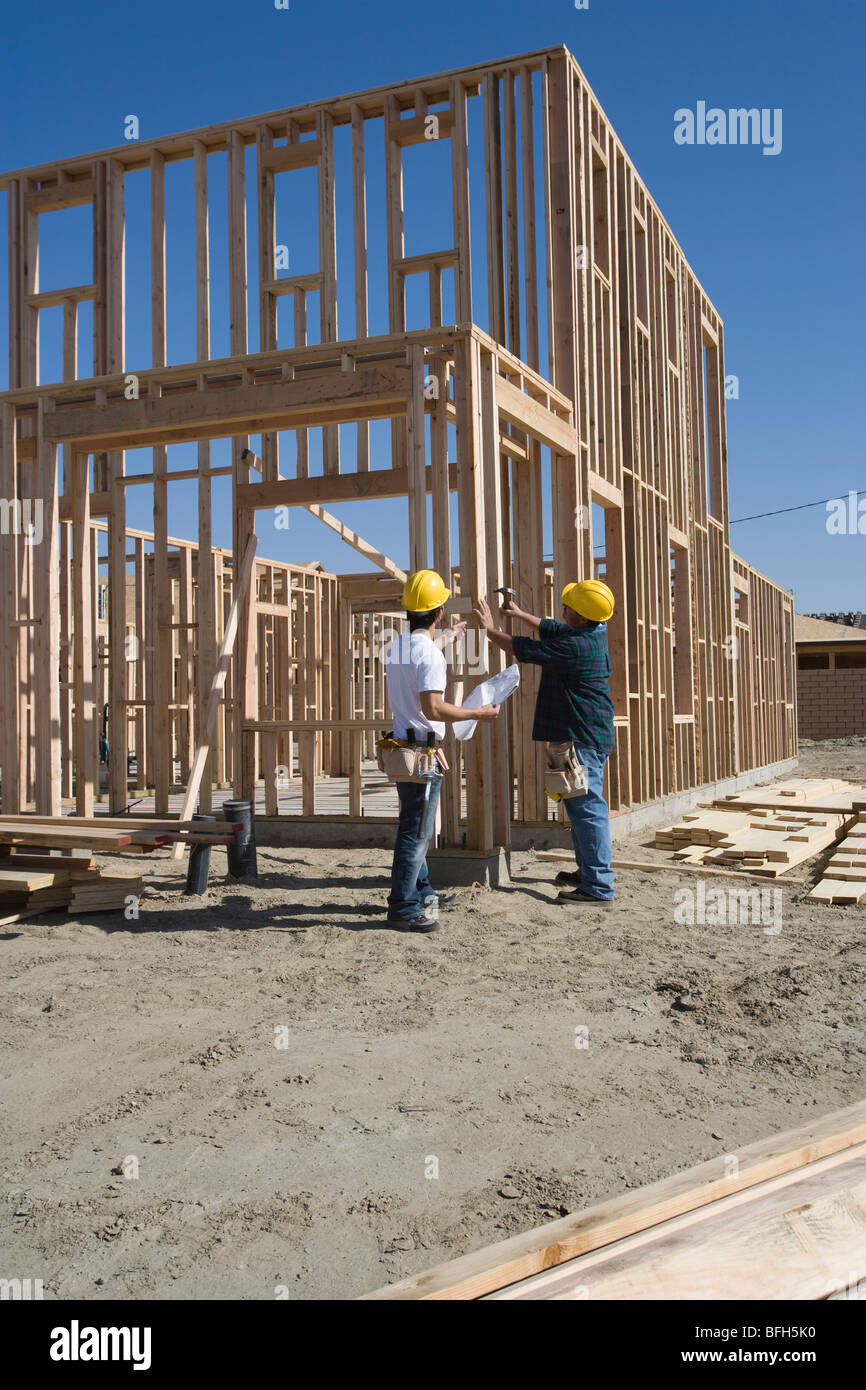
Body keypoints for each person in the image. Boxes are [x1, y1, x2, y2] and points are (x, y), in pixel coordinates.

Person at [475, 580, 616, 906]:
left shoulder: (574, 647)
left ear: (581, 617)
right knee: (581, 809)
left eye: (568, 607)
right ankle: (589, 873)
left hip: (582, 738)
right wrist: (521, 613)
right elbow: (553, 628)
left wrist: (491, 630)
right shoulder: (592, 631)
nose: (562, 610)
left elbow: (526, 649)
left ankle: (598, 887)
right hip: (589, 734)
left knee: (589, 811)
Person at [384, 569, 500, 932]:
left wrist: (448, 637)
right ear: (438, 613)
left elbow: (423, 654)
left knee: (414, 824)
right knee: (415, 832)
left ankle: (423, 892)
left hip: (406, 750)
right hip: (421, 753)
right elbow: (434, 708)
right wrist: (477, 713)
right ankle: (403, 907)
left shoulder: (398, 647)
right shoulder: (430, 657)